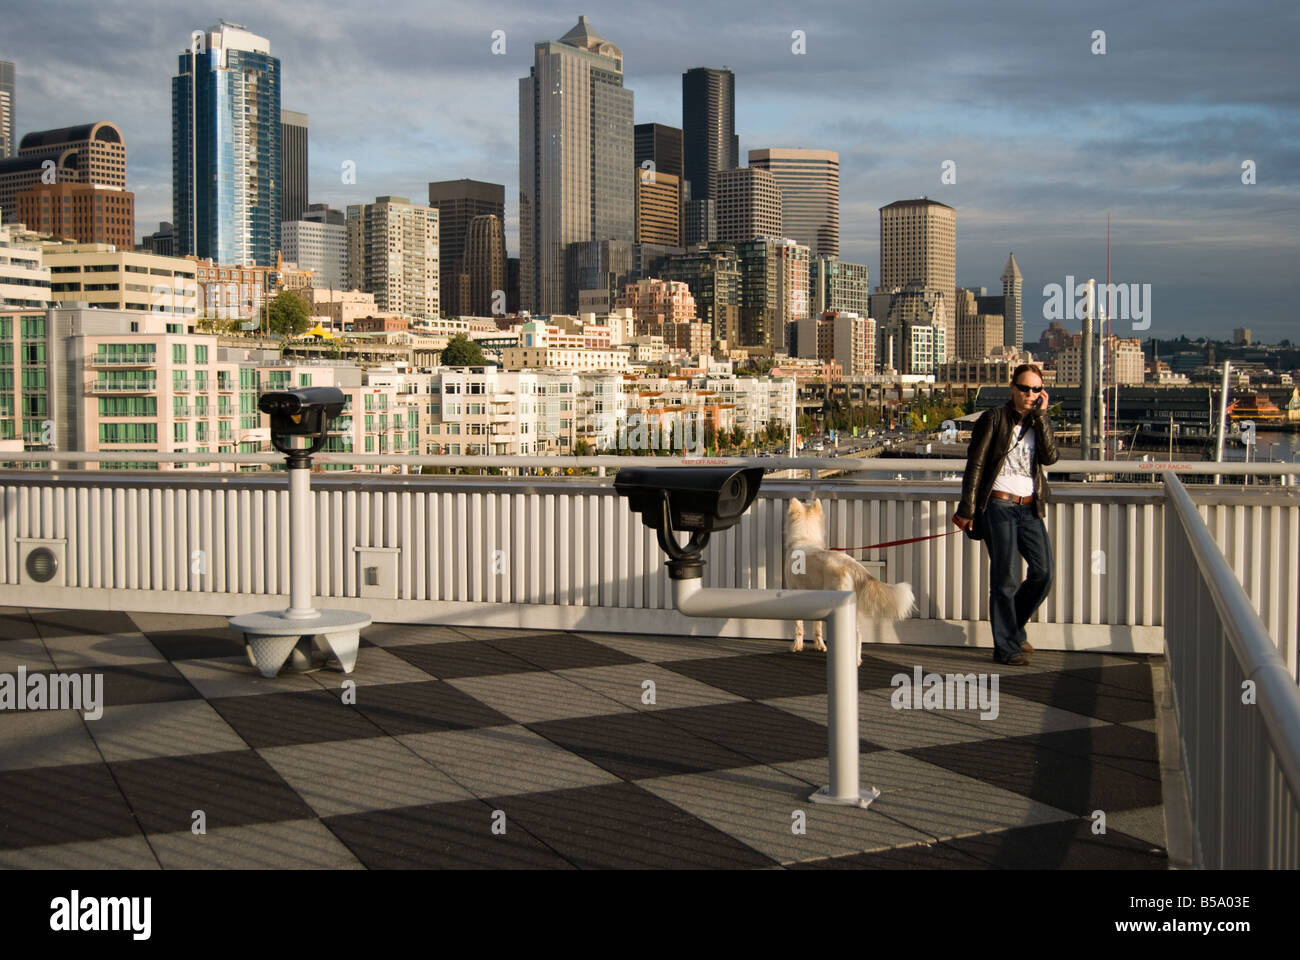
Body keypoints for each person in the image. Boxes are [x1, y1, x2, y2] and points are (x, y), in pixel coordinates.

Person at [952, 364, 1058, 665]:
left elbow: (1050, 457)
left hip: (1030, 506)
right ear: (1012, 388)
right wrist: (968, 509)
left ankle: (1012, 630)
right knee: (1006, 578)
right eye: (1024, 388)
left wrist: (1041, 416)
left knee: (1044, 572)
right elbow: (975, 465)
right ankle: (1006, 648)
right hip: (999, 505)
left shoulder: (1038, 421)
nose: (1029, 394)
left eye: (1036, 389)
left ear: (1042, 393)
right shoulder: (994, 418)